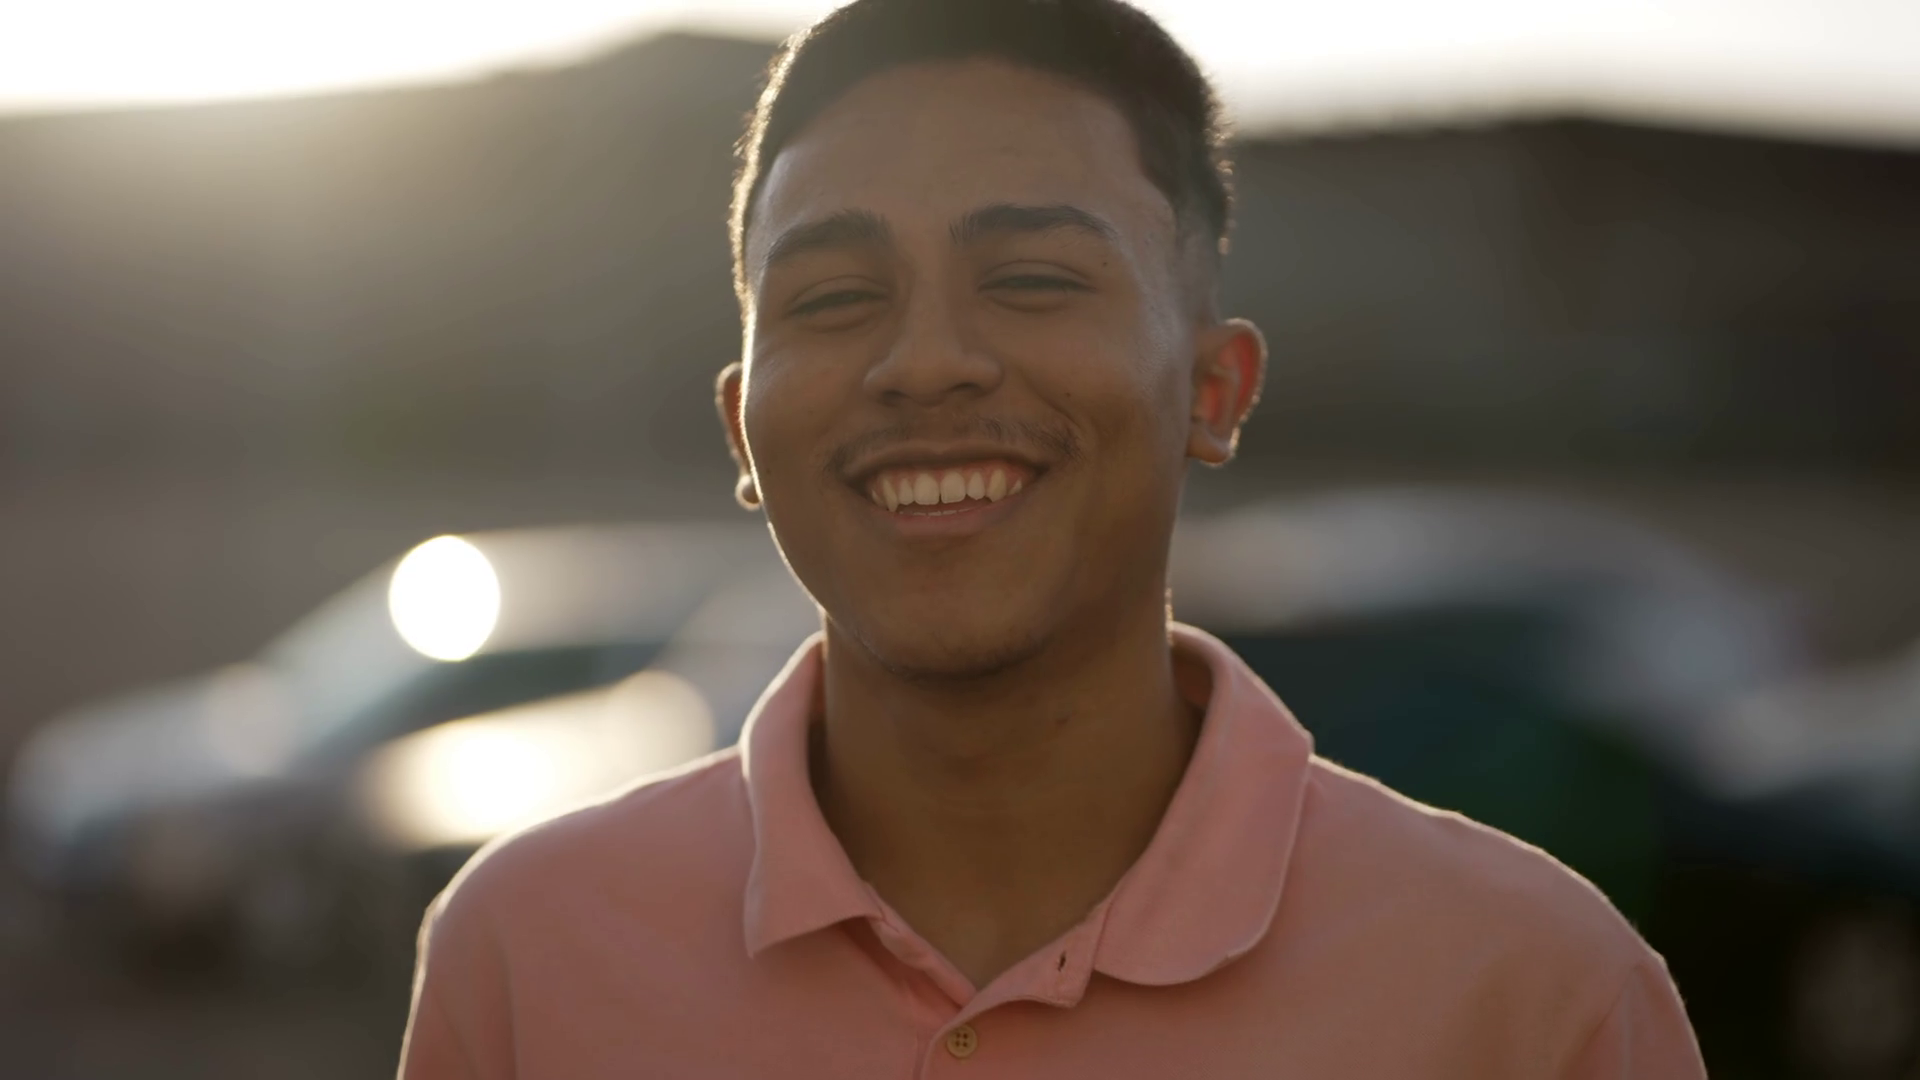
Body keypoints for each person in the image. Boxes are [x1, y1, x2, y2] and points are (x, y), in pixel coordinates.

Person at [397, 1, 1707, 1075]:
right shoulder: (527, 954)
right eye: (836, 298)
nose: (926, 362)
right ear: (743, 428)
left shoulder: (1530, 995)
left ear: (1214, 390)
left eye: (1030, 279)